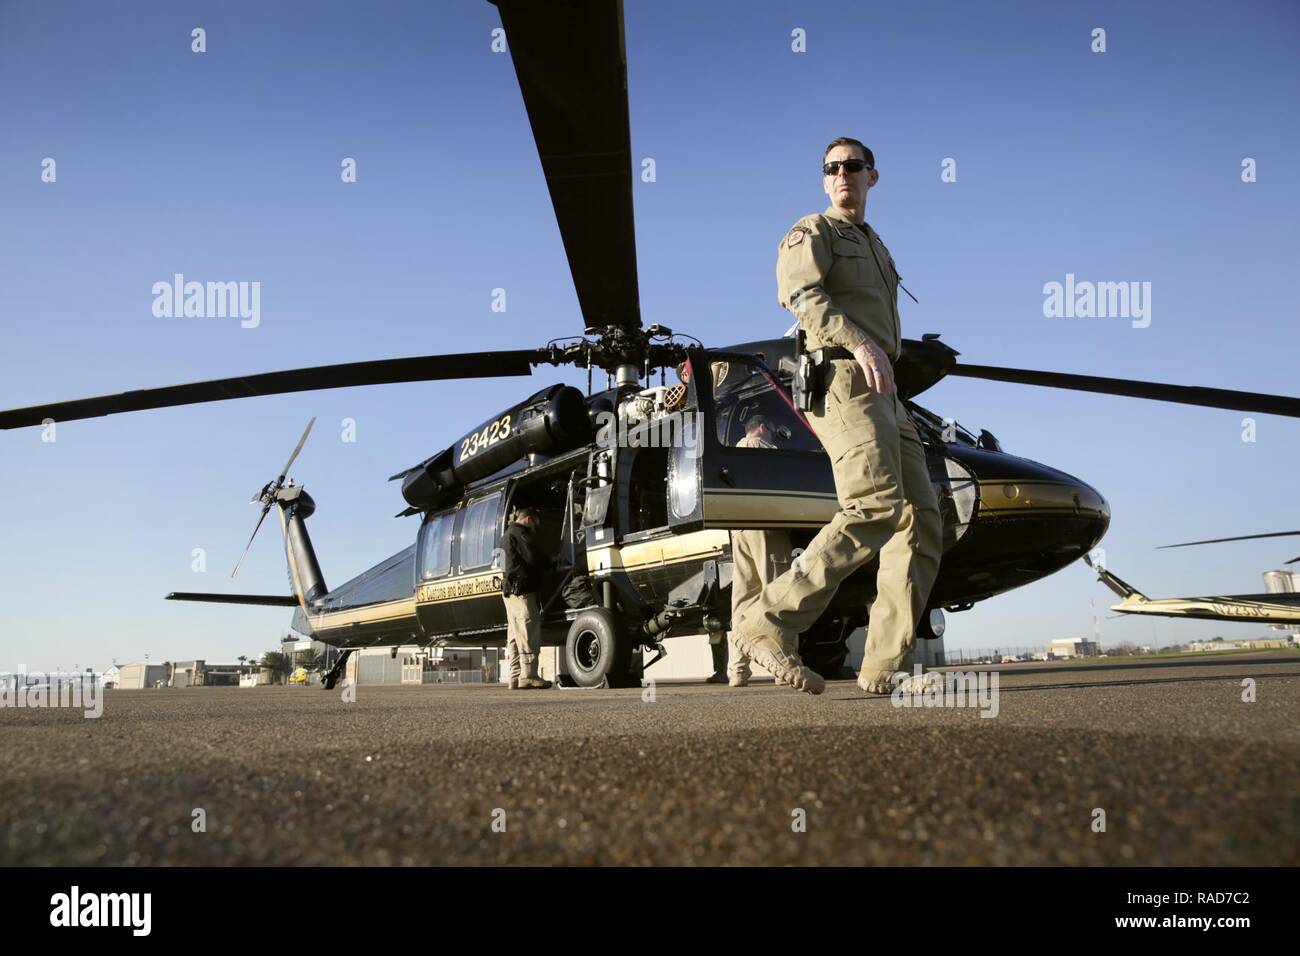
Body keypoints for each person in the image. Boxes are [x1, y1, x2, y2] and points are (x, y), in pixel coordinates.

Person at [729, 137, 944, 697]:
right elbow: (799, 294)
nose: (842, 173)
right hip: (842, 375)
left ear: (873, 176)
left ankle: (883, 666)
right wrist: (861, 343)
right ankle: (766, 620)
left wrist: (891, 355)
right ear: (825, 180)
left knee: (919, 519)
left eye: (853, 165)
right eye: (832, 167)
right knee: (873, 503)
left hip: (884, 387)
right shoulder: (814, 230)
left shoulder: (876, 246)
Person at [727, 414, 794, 687]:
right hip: (766, 525)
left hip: (739, 528)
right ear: (763, 428)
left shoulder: (732, 452)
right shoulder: (762, 449)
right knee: (780, 591)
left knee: (743, 598)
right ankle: (783, 665)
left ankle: (737, 670)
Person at [500, 505, 552, 690]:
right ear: (529, 519)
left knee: (514, 633)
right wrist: (549, 561)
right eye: (534, 525)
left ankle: (514, 676)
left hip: (508, 590)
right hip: (522, 589)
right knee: (528, 625)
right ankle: (529, 675)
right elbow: (532, 557)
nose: (534, 530)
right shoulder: (520, 532)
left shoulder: (506, 535)